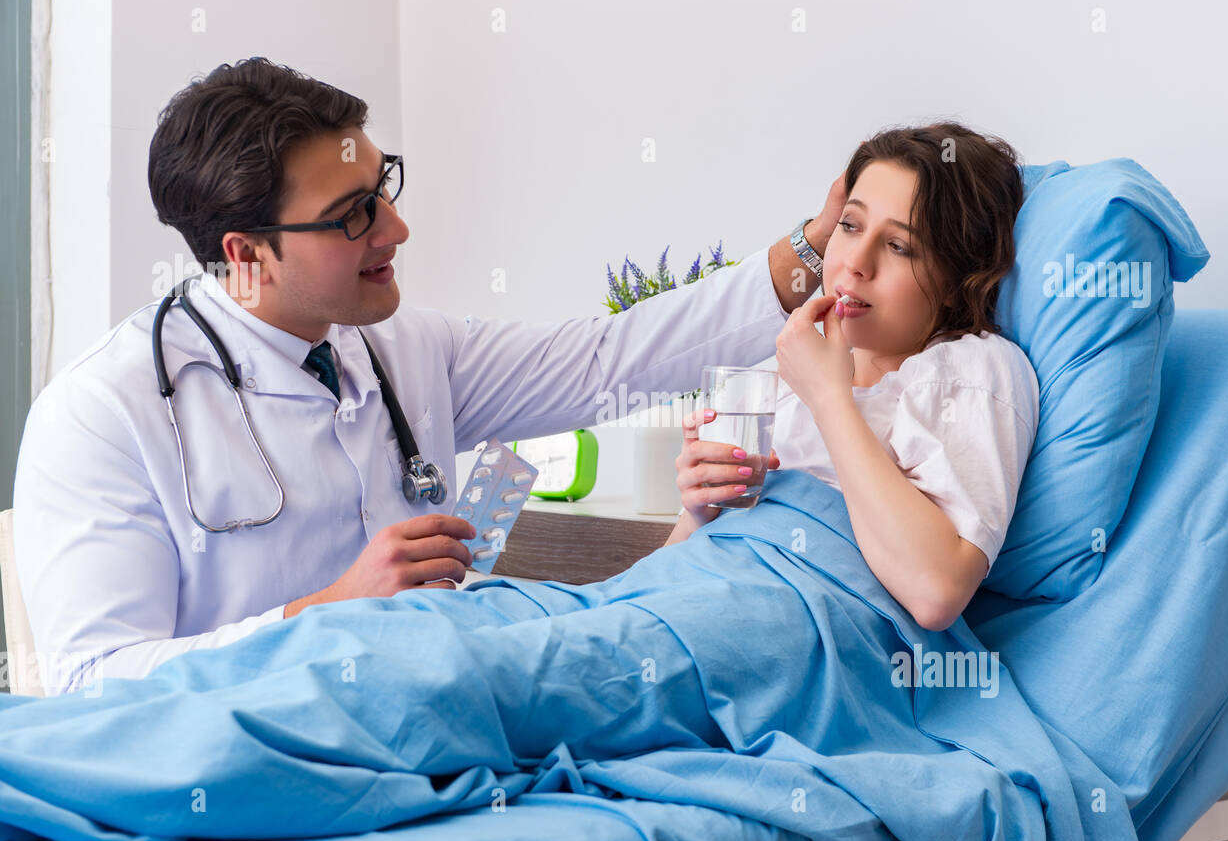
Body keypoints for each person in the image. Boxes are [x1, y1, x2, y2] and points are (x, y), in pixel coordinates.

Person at [11, 56, 845, 697]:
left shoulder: (407, 348)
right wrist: (326, 611)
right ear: (246, 253)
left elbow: (608, 360)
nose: (397, 228)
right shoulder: (101, 417)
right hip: (239, 779)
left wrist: (813, 250)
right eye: (353, 215)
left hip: (426, 734)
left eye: (384, 187)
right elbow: (96, 685)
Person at [669, 122, 1040, 632]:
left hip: (792, 629)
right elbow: (657, 585)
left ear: (957, 281)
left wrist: (828, 396)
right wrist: (698, 512)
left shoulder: (970, 369)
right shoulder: (772, 375)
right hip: (688, 606)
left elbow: (937, 593)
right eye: (850, 226)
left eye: (900, 247)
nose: (856, 263)